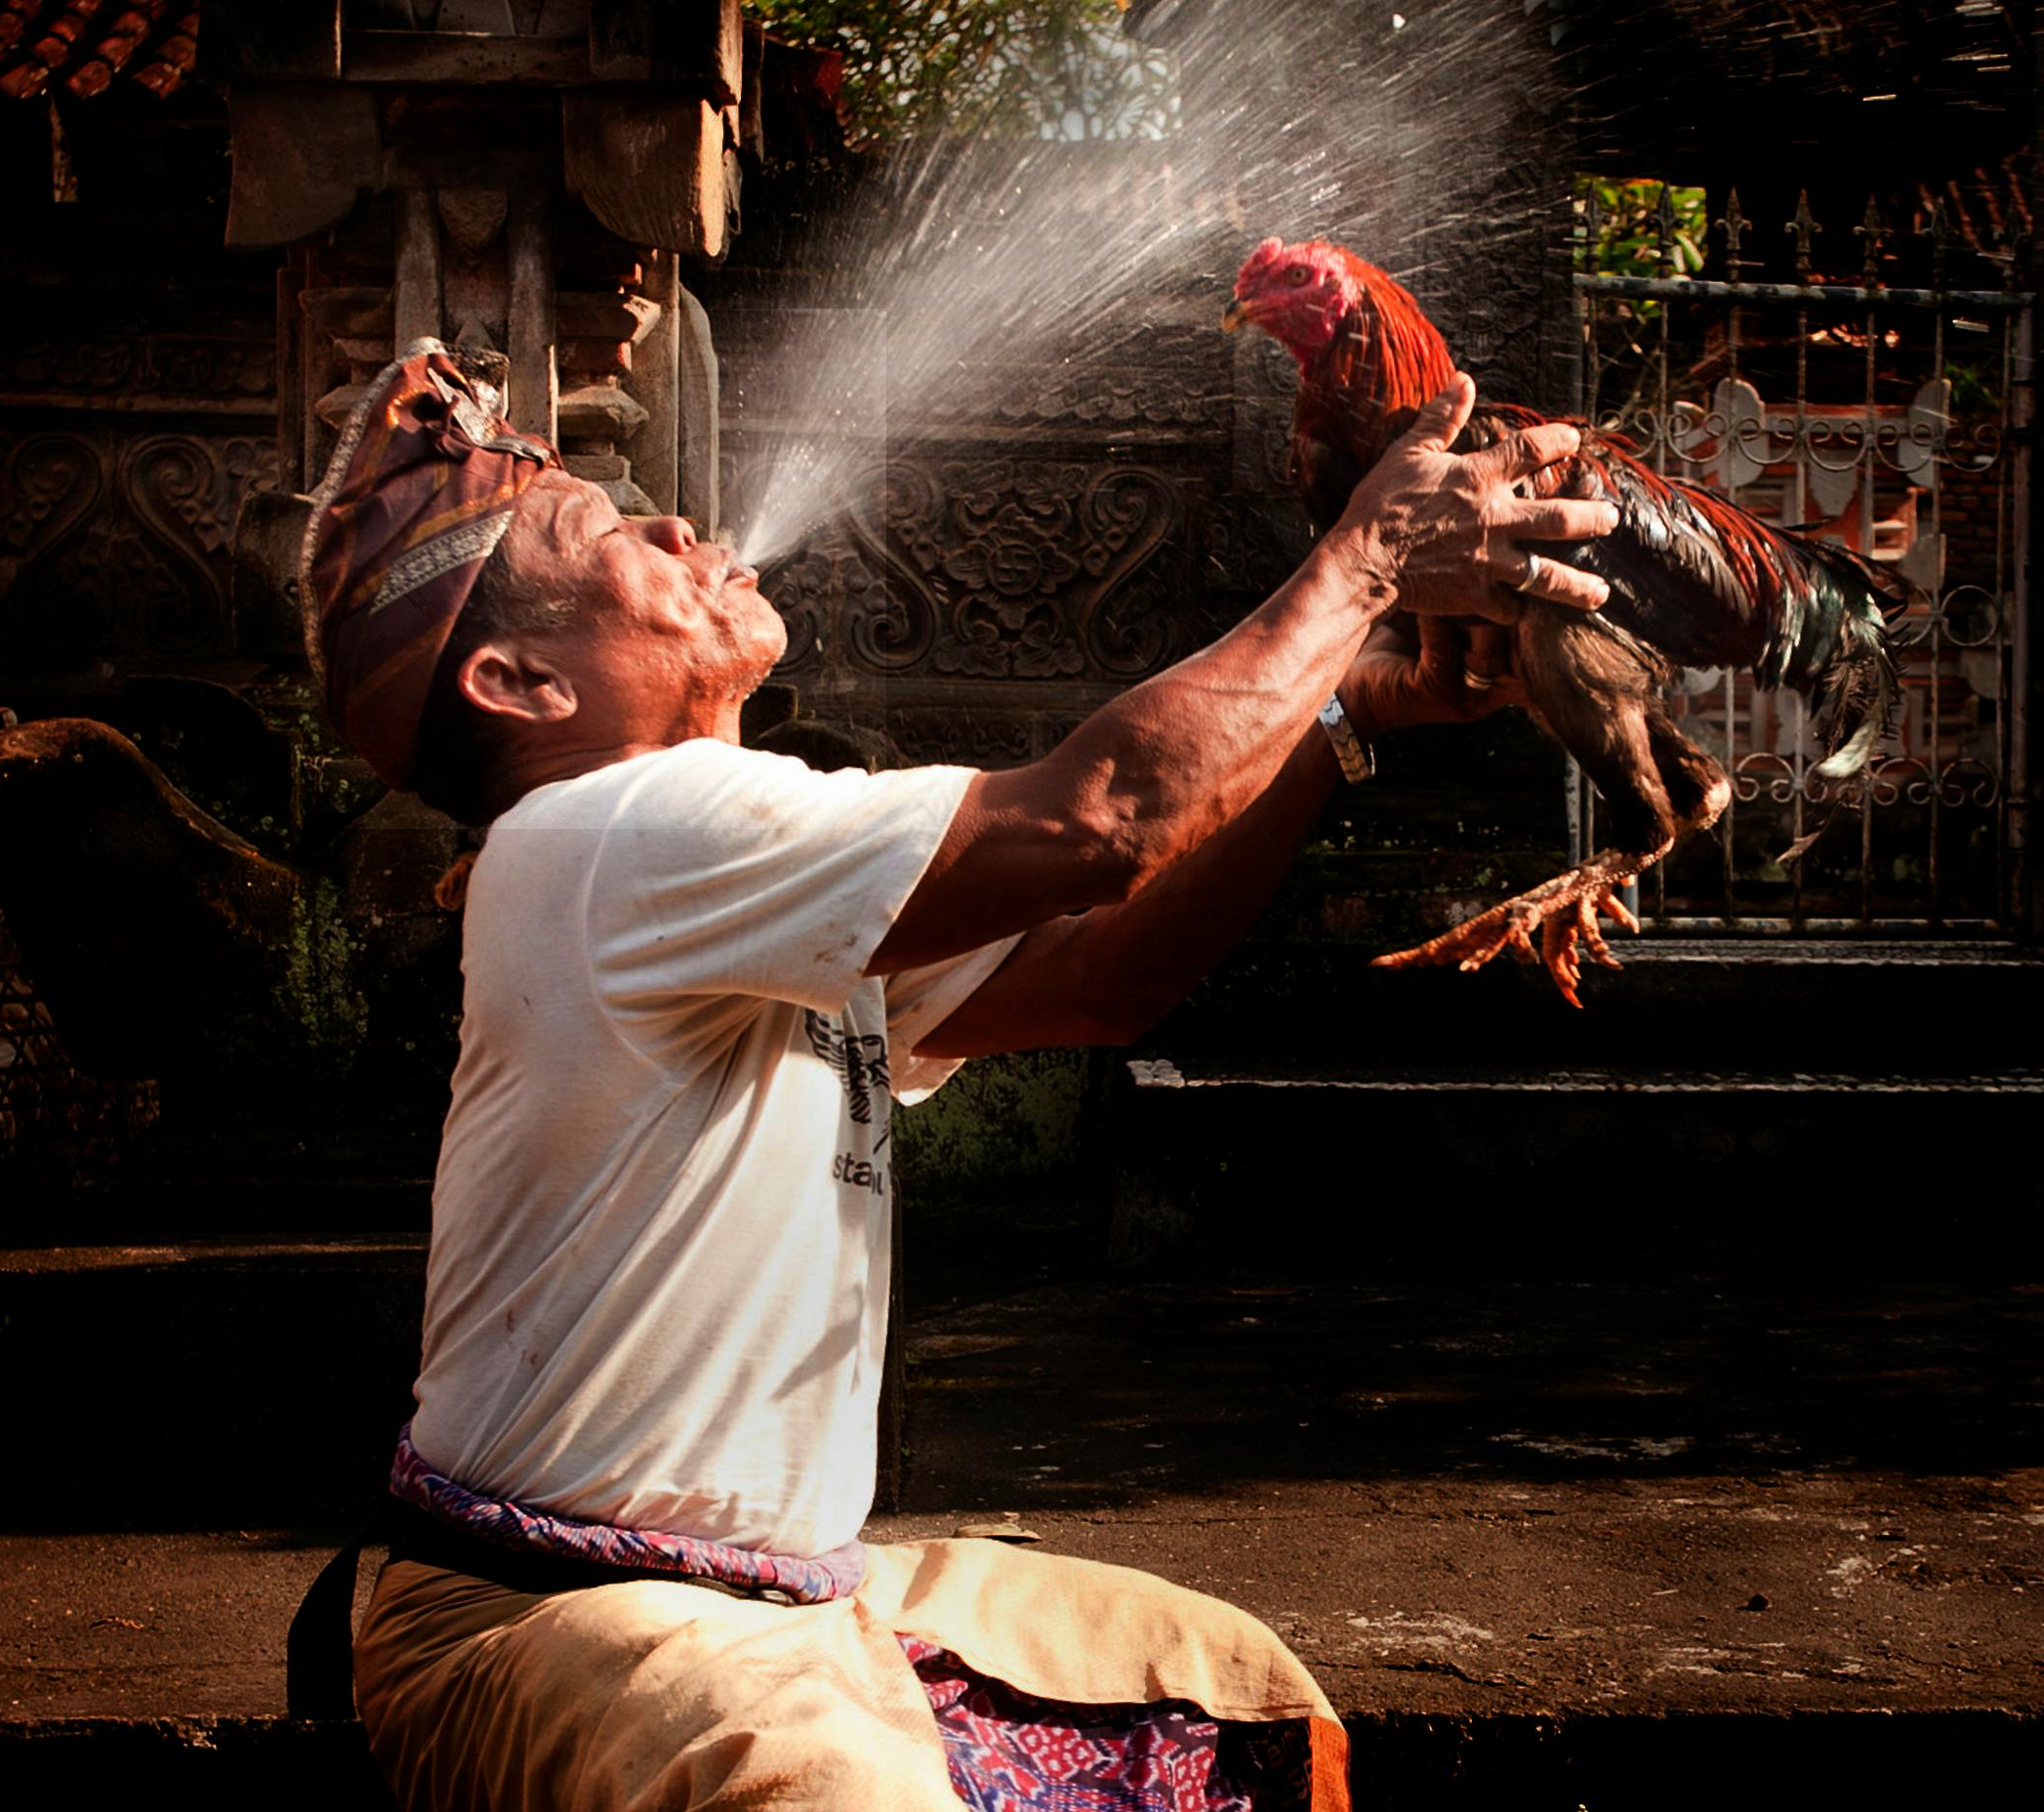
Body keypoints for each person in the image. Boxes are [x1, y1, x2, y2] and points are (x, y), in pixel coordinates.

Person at [293, 339, 1614, 1811]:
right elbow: (1101, 817)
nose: (676, 527)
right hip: (546, 1617)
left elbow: (1099, 974)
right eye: (607, 536)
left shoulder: (719, 852)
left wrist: (1336, 710)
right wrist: (1365, 559)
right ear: (518, 679)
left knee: (1233, 1695)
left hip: (777, 1596)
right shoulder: (609, 833)